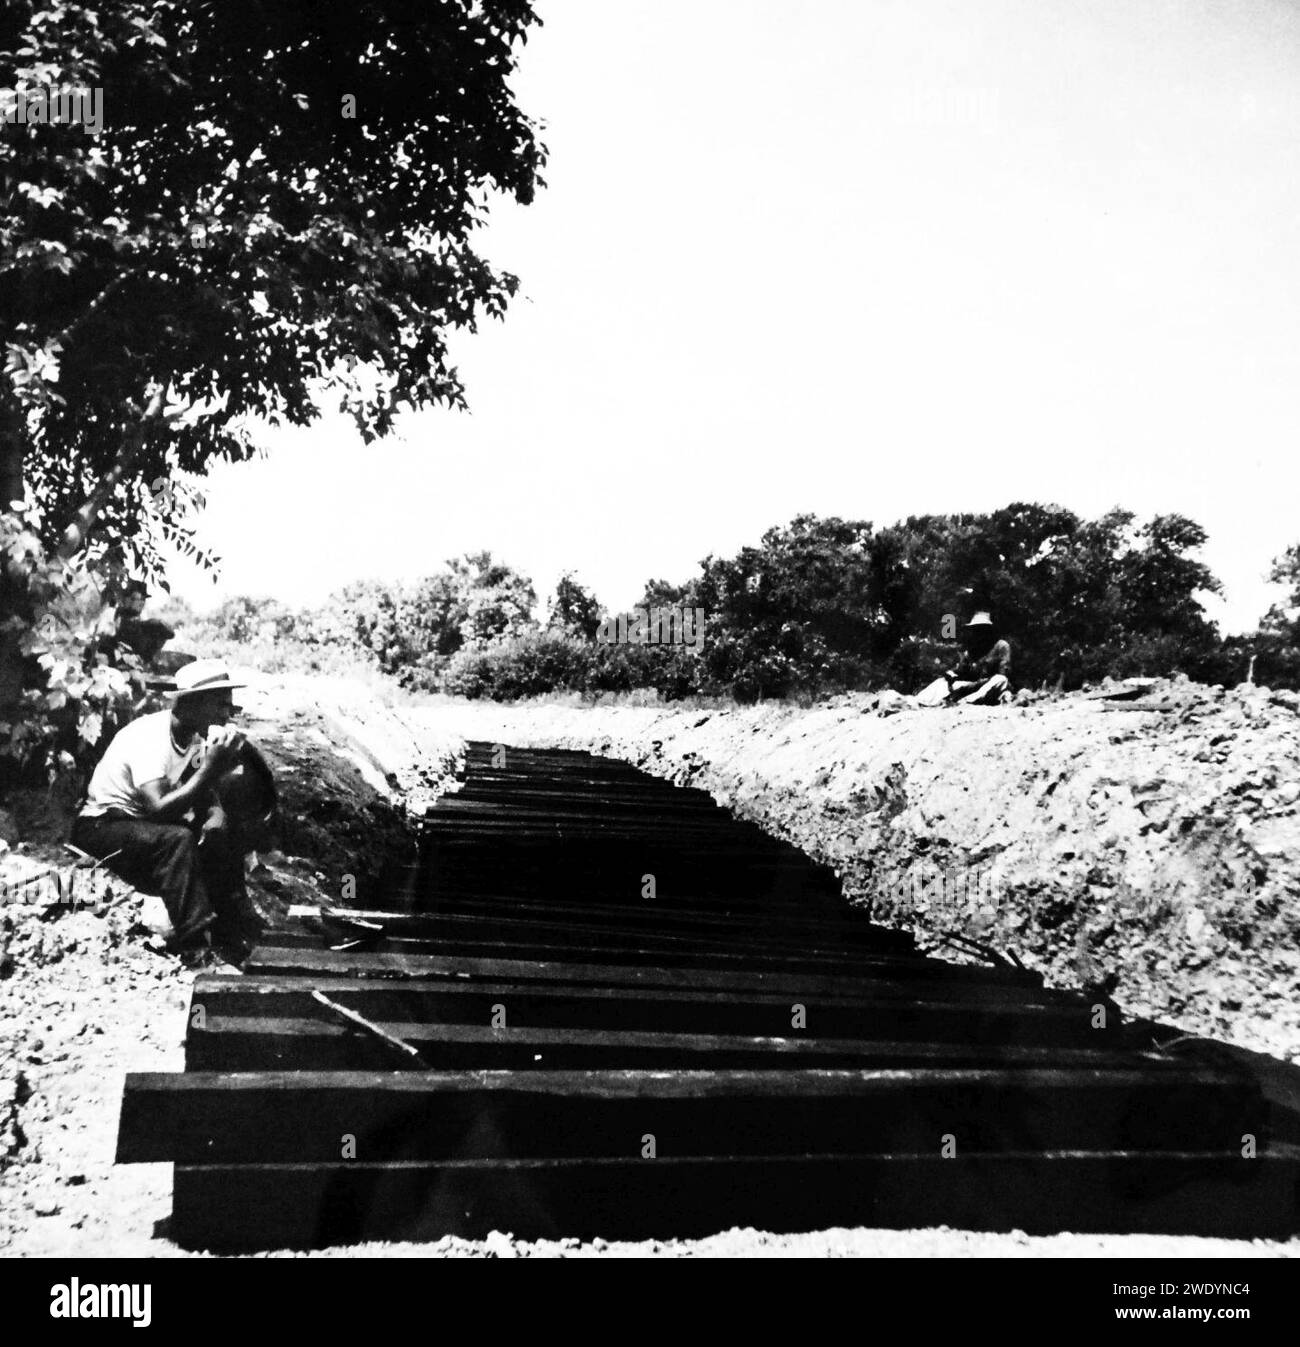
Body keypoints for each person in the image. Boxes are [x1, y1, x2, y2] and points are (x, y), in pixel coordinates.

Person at [70, 659, 264, 965]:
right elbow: (159, 808)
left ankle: (232, 928)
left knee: (221, 832)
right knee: (177, 839)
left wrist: (215, 815)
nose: (228, 714)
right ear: (194, 703)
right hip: (101, 824)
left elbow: (197, 791)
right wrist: (211, 769)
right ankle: (195, 945)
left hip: (140, 825)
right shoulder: (150, 736)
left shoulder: (194, 736)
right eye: (221, 704)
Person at [943, 611, 1012, 706]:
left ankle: (968, 701)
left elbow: (1003, 673)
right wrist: (952, 673)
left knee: (1001, 679)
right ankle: (921, 700)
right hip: (973, 686)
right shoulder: (972, 649)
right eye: (975, 630)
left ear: (989, 630)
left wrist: (979, 683)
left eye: (982, 629)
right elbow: (962, 670)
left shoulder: (1001, 646)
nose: (978, 633)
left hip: (990, 687)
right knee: (943, 682)